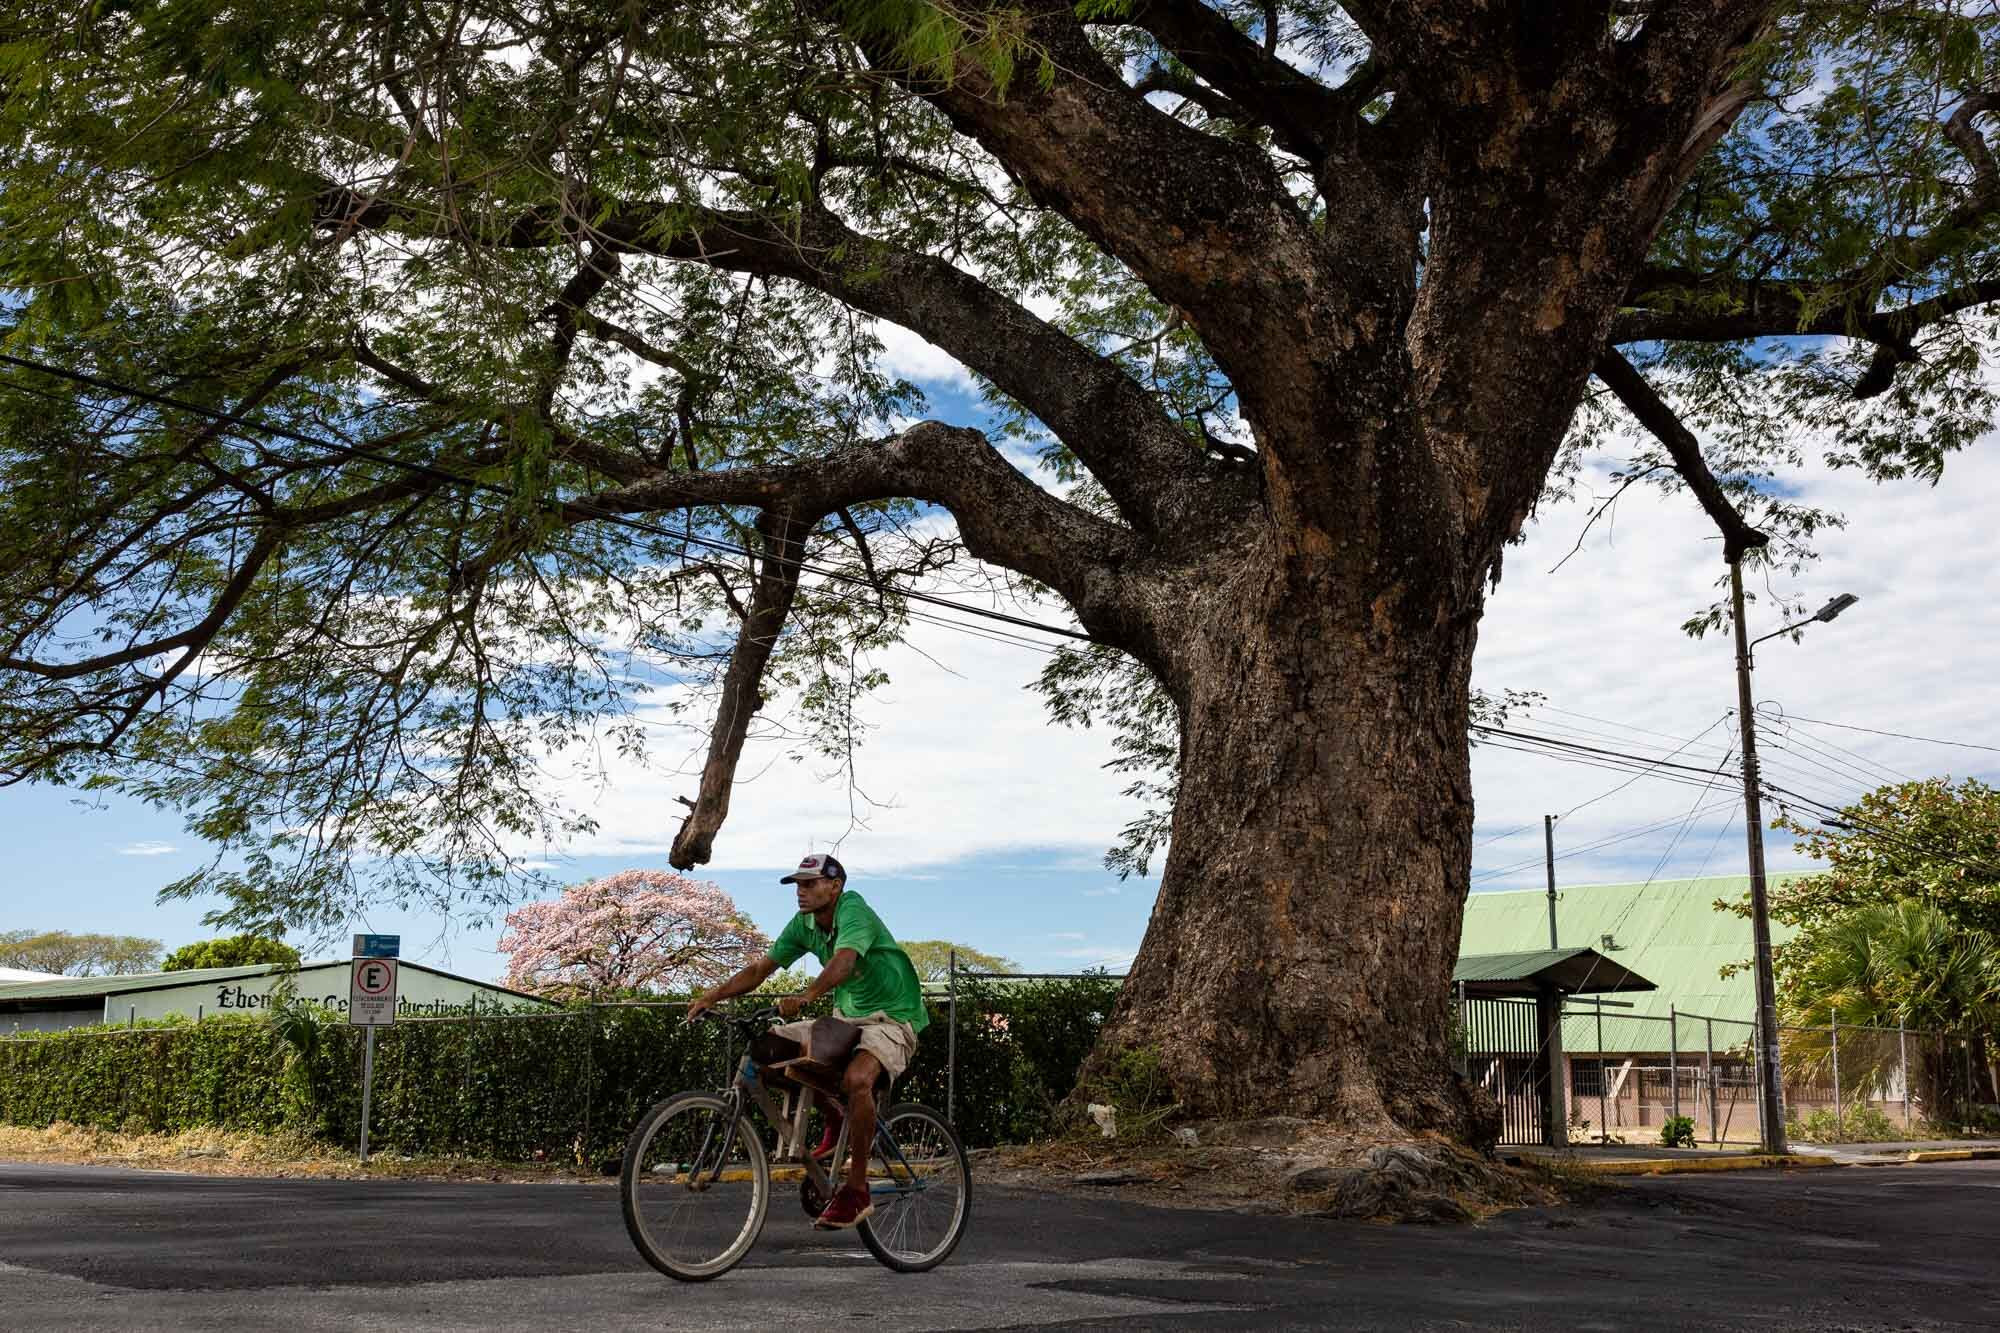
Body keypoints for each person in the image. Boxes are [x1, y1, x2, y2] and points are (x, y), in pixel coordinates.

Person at [687, 853, 929, 1229]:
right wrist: (712, 996)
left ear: (835, 885)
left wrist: (808, 995)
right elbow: (759, 969)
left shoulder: (853, 909)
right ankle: (835, 1116)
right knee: (768, 1050)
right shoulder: (803, 924)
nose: (801, 891)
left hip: (893, 1018)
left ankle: (857, 1188)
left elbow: (845, 961)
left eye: (810, 883)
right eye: (797, 884)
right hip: (847, 1019)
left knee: (857, 1080)